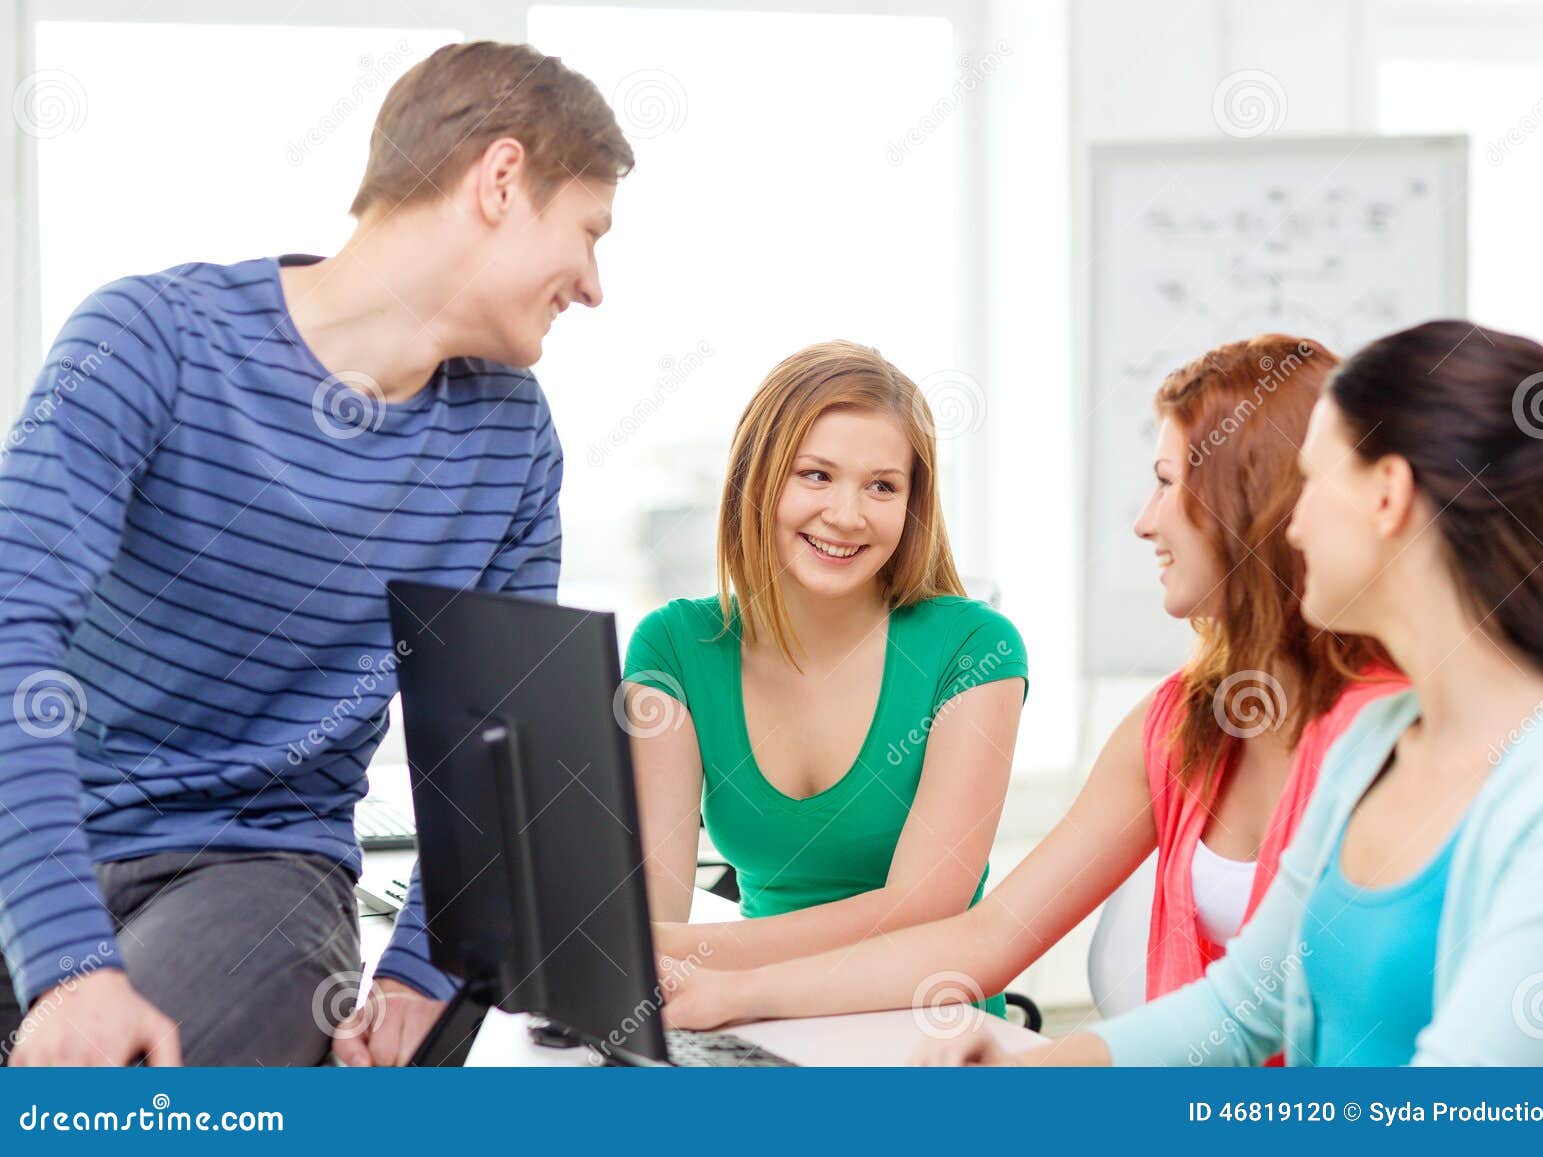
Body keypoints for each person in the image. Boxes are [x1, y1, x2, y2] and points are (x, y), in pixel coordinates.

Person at [0, 41, 632, 1067]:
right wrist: (69, 963)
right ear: (502, 179)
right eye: (589, 232)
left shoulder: (511, 438)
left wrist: (420, 972)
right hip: (32, 839)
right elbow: (11, 626)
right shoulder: (150, 339)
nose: (594, 286)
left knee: (129, 1098)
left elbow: (497, 750)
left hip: (252, 869)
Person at [660, 334, 1402, 1036]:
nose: (1144, 523)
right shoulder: (1175, 724)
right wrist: (735, 993)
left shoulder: (1390, 734)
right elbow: (993, 940)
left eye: (1166, 483)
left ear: (1253, 500)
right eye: (816, 474)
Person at [923, 320, 1543, 1066]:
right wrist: (1027, 1071)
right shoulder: (1376, 747)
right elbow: (1242, 1007)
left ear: (1388, 496)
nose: (1292, 525)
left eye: (1312, 482)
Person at [623, 341, 1027, 1014]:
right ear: (756, 479)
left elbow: (918, 912)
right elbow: (655, 900)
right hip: (757, 1017)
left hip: (928, 1029)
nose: (847, 514)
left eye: (882, 486)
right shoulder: (674, 647)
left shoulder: (974, 648)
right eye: (816, 475)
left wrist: (676, 951)